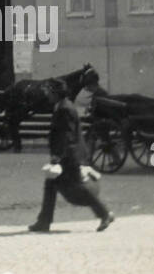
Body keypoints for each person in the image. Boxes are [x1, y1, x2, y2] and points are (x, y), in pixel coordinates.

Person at [29, 80, 113, 233]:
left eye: (48, 91)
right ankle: (44, 221)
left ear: (56, 93)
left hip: (70, 156)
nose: (46, 94)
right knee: (51, 184)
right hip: (68, 155)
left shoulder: (65, 109)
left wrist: (58, 158)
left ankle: (105, 214)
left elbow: (67, 136)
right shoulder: (62, 106)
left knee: (78, 187)